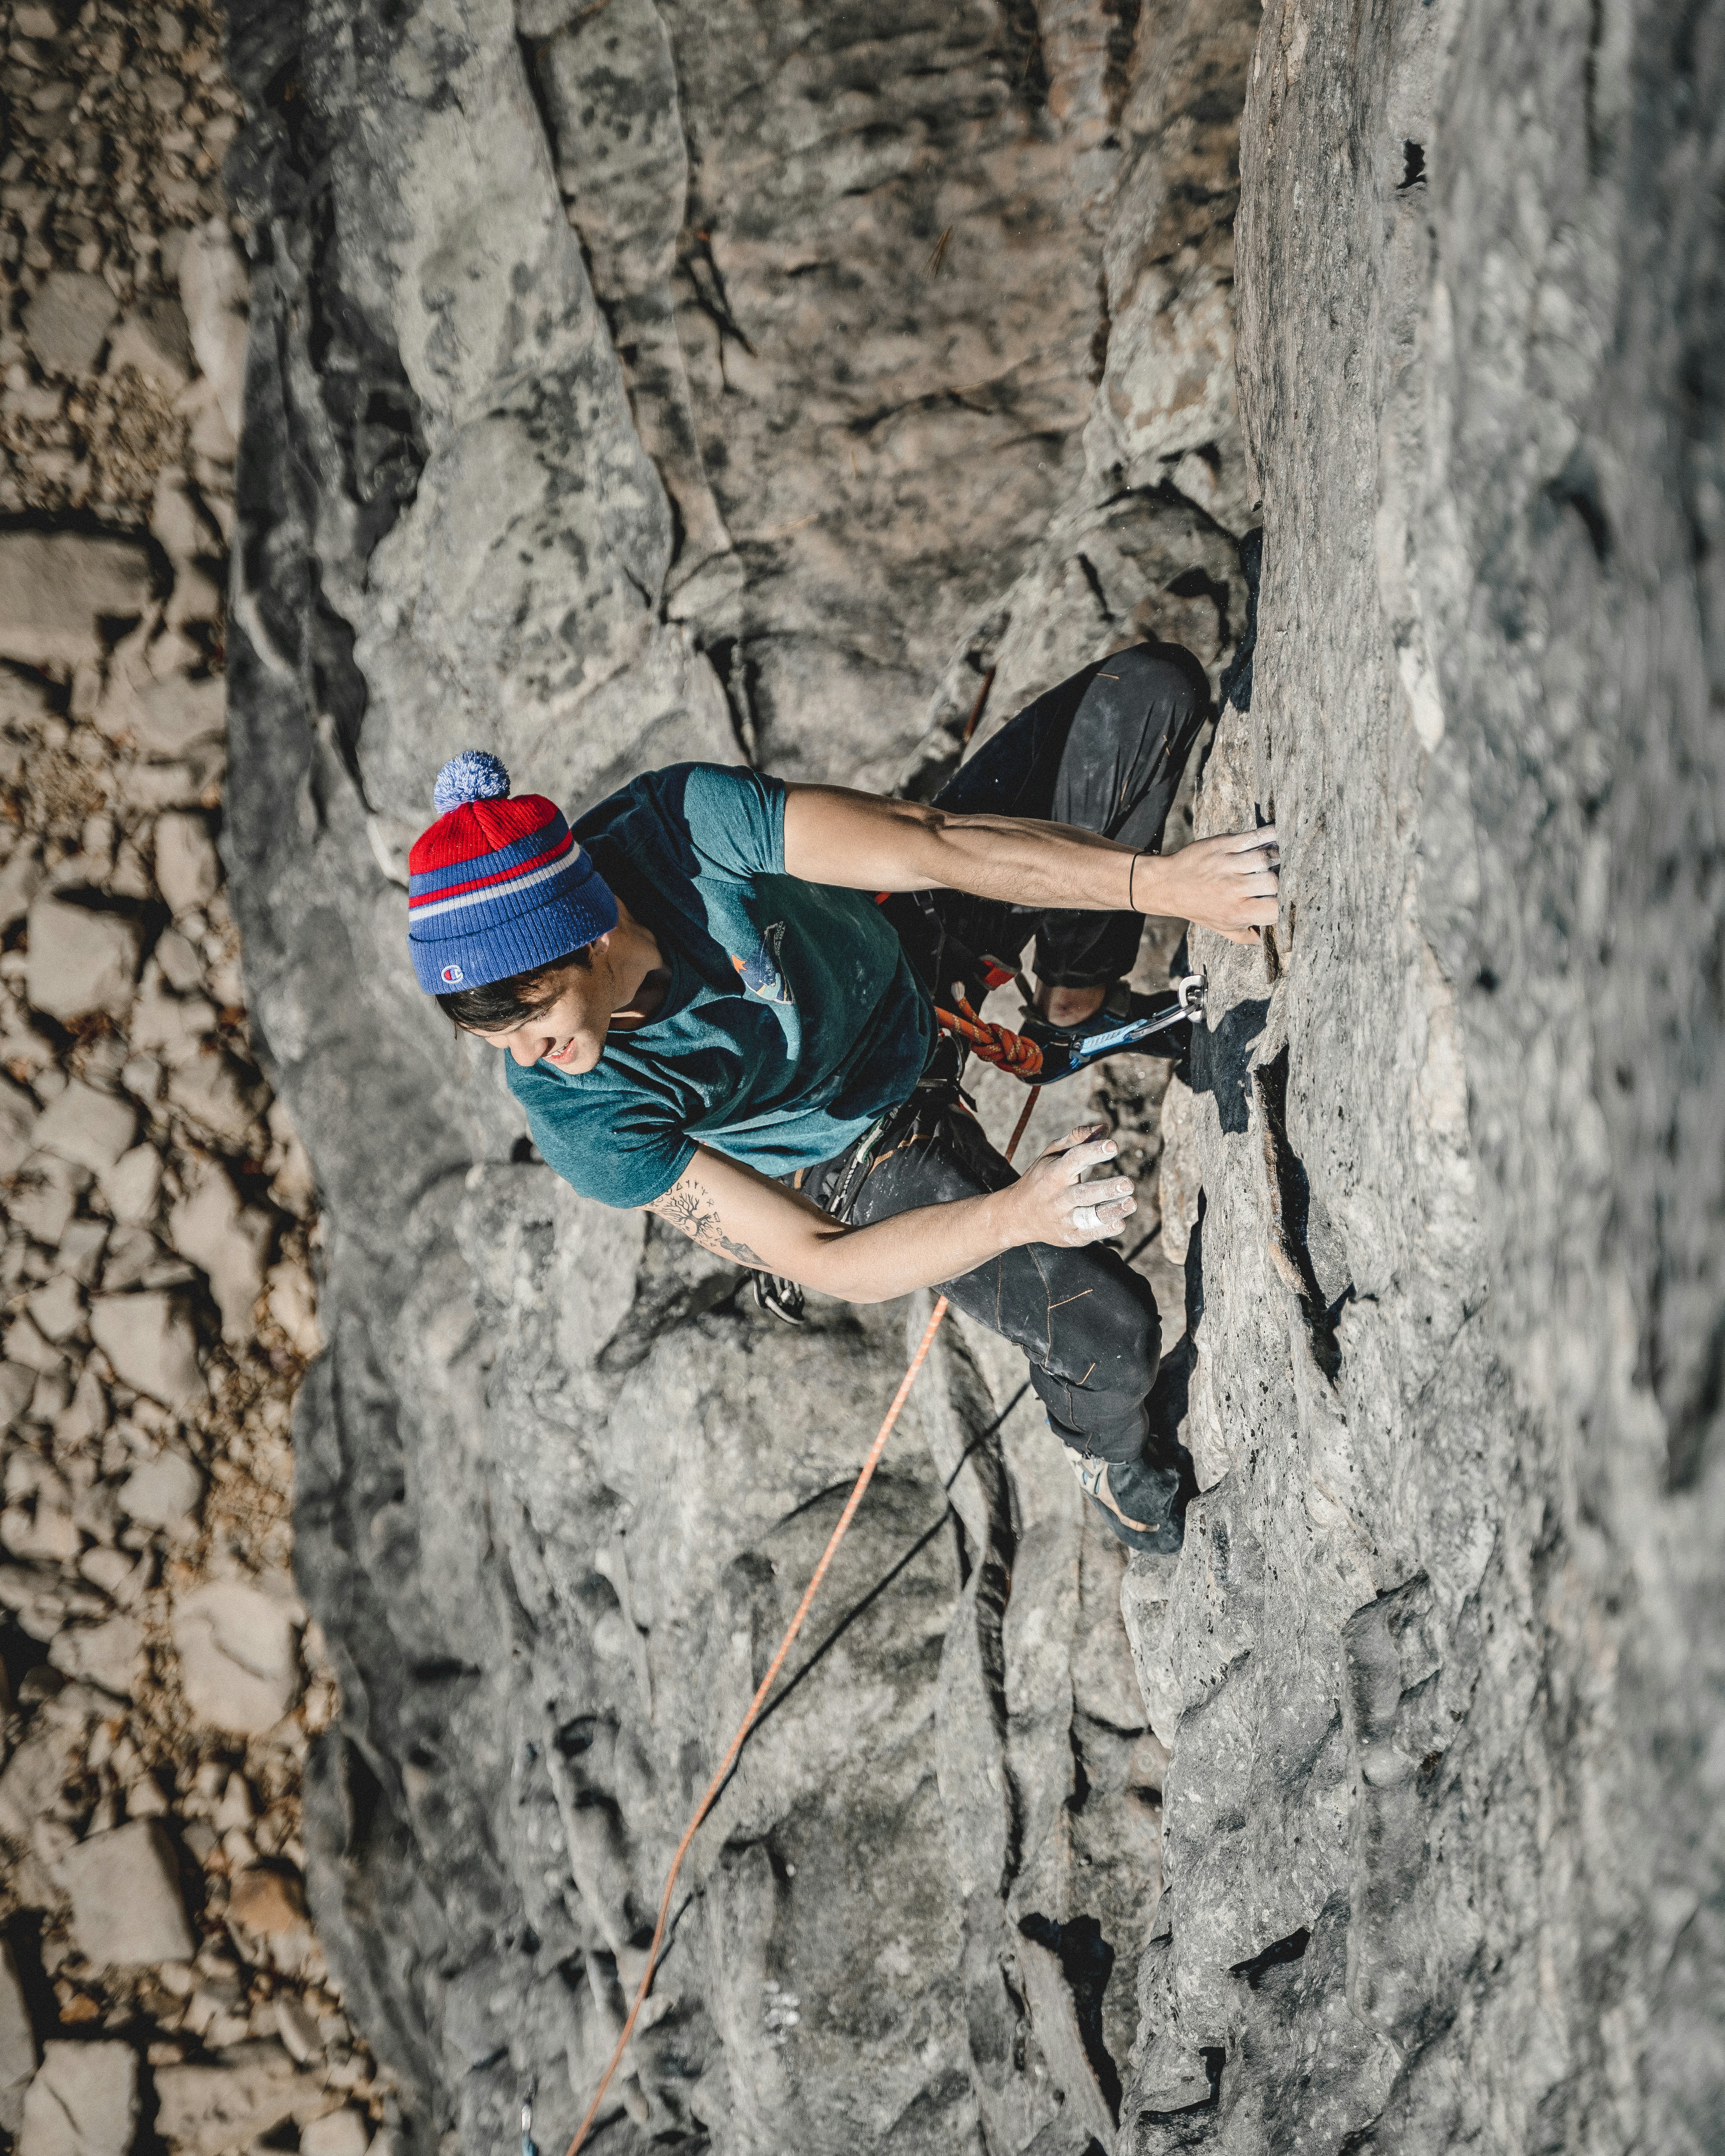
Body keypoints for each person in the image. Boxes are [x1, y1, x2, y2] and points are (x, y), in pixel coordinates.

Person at [406, 643, 1278, 1551]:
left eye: (529, 1015)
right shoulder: (575, 1112)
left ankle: (1076, 996)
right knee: (1111, 1334)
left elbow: (931, 846)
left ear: (582, 934)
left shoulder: (679, 825)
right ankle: (1103, 1455)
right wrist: (1018, 1213)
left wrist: (1164, 886)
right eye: (494, 1037)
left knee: (1144, 697)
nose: (526, 1056)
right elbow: (824, 1257)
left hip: (900, 953)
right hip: (857, 1145)